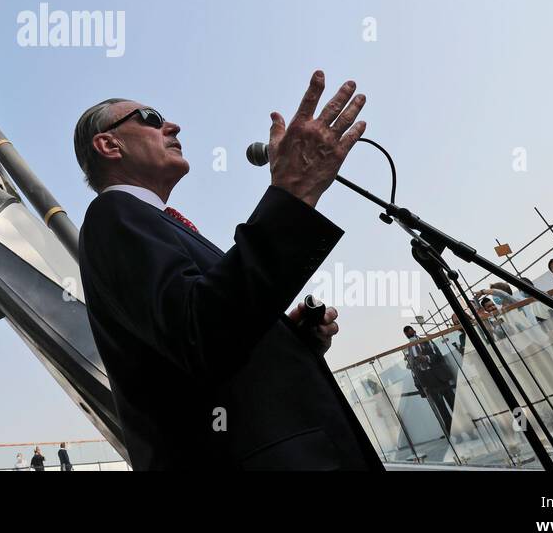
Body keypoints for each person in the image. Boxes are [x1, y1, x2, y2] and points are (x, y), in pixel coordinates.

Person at [74, 71, 384, 470]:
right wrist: (291, 194)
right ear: (109, 144)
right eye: (150, 118)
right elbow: (199, 334)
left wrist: (285, 336)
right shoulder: (112, 215)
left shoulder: (154, 222)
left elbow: (212, 330)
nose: (172, 125)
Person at [402, 325, 457, 437]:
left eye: (410, 330)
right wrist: (420, 385)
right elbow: (413, 368)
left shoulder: (426, 340)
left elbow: (438, 356)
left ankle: (465, 427)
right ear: (405, 335)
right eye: (406, 332)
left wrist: (426, 358)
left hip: (439, 377)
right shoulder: (408, 349)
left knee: (453, 403)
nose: (409, 333)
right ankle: (453, 433)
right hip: (428, 382)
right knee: (442, 410)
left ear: (414, 331)